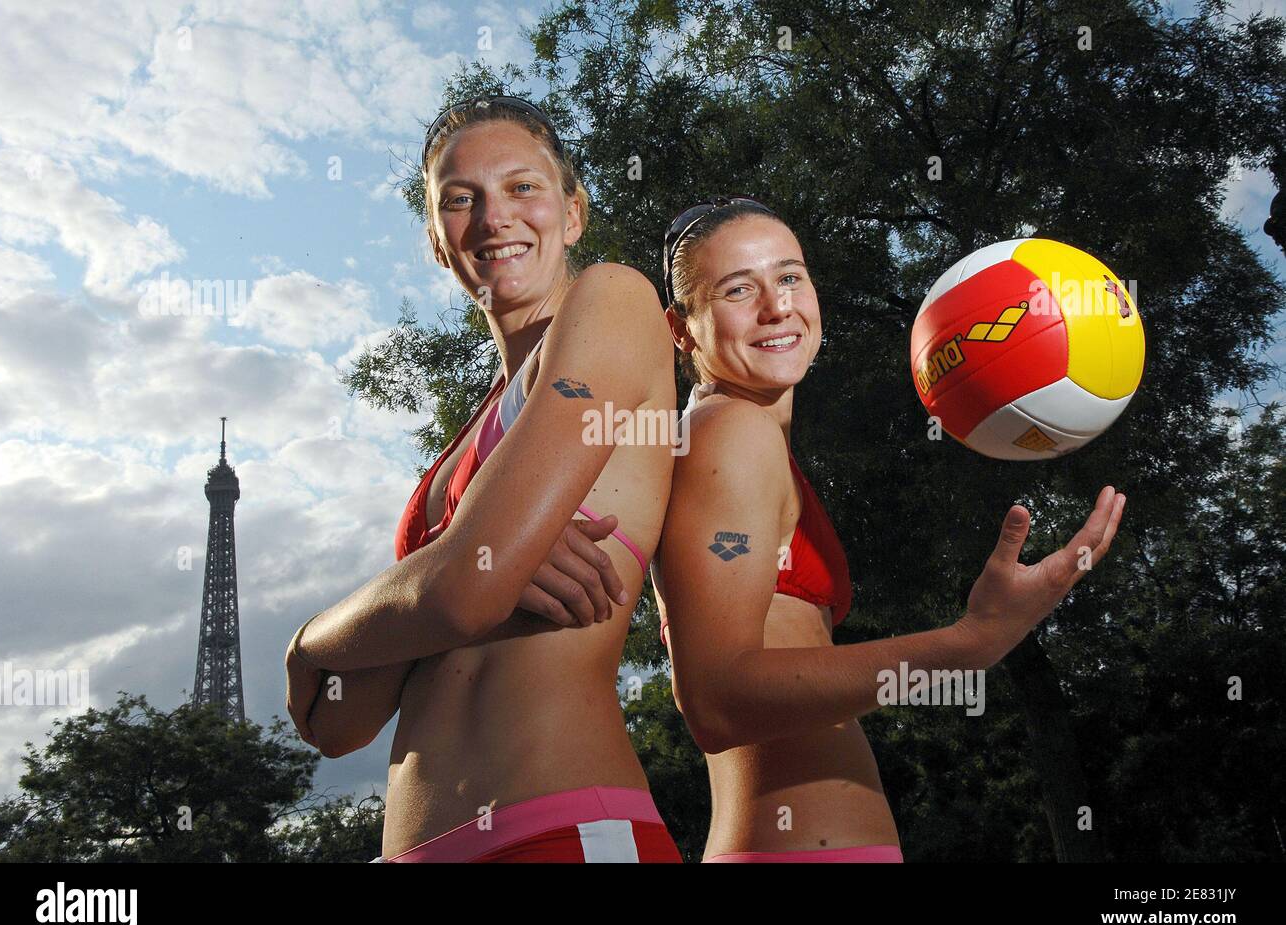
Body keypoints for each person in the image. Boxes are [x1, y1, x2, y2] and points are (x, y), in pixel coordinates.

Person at [651, 196, 1127, 862]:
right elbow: (717, 702)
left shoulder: (745, 437)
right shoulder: (730, 430)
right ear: (682, 330)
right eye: (736, 290)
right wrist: (970, 643)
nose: (777, 306)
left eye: (790, 276)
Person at [284, 97, 681, 862]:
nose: (495, 218)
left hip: (561, 831)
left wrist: (310, 645)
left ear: (572, 213)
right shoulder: (463, 448)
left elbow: (461, 592)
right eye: (461, 199)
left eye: (523, 188)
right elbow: (340, 725)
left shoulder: (615, 298)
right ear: (438, 243)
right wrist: (463, 573)